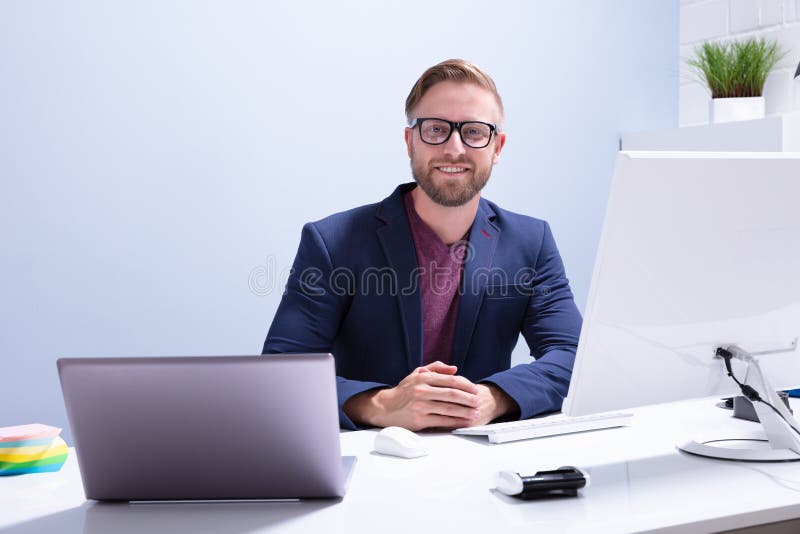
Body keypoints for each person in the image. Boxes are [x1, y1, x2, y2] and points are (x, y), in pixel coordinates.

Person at [263, 59, 582, 431]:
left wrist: (491, 398)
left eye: (475, 132)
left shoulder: (532, 241)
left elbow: (574, 356)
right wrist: (382, 405)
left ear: (497, 147)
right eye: (435, 129)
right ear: (410, 140)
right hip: (372, 459)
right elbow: (279, 375)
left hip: (483, 462)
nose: (454, 148)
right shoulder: (333, 241)